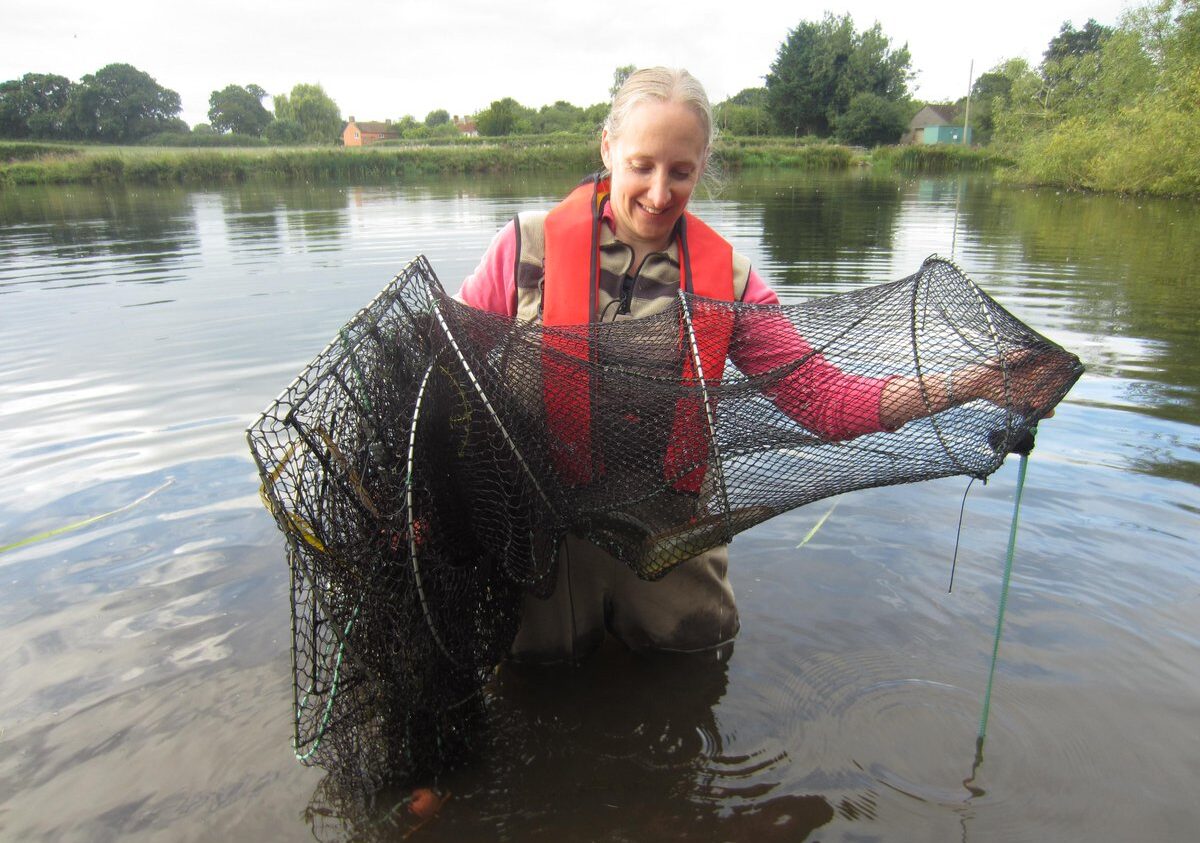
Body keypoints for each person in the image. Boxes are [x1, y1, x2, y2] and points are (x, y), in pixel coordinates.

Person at [458, 67, 1062, 664]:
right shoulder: (525, 247)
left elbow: (828, 403)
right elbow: (439, 370)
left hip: (670, 534)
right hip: (540, 532)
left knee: (691, 677)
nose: (659, 192)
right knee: (542, 683)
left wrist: (979, 381)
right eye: (642, 165)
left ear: (704, 165)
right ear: (608, 147)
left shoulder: (732, 282)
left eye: (682, 171)